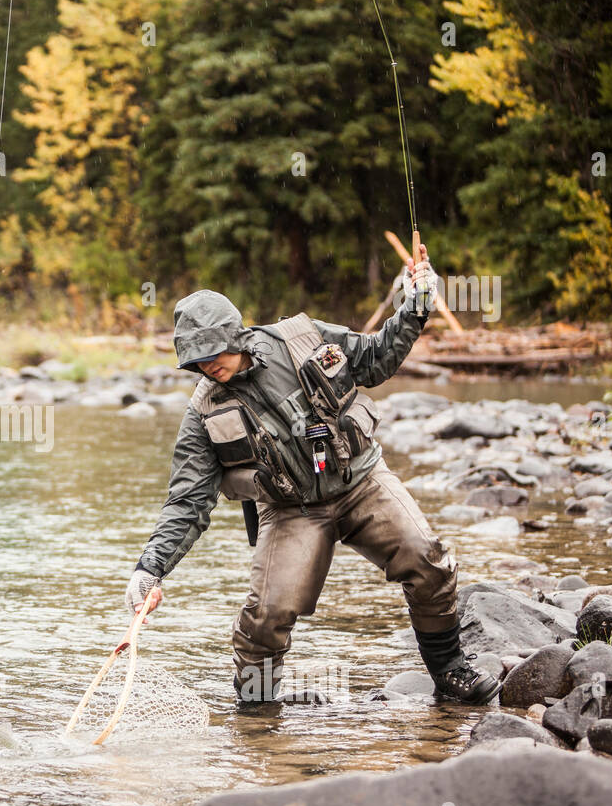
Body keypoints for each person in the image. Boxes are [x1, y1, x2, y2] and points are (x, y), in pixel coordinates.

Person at [124, 246, 502, 705]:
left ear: (235, 334)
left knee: (429, 563)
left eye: (213, 351)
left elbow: (376, 359)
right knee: (267, 615)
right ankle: (258, 719)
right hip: (291, 511)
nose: (207, 365)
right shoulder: (203, 413)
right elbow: (187, 501)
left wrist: (417, 303)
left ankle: (450, 673)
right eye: (196, 359)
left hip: (362, 481)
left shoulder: (299, 339)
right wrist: (150, 570)